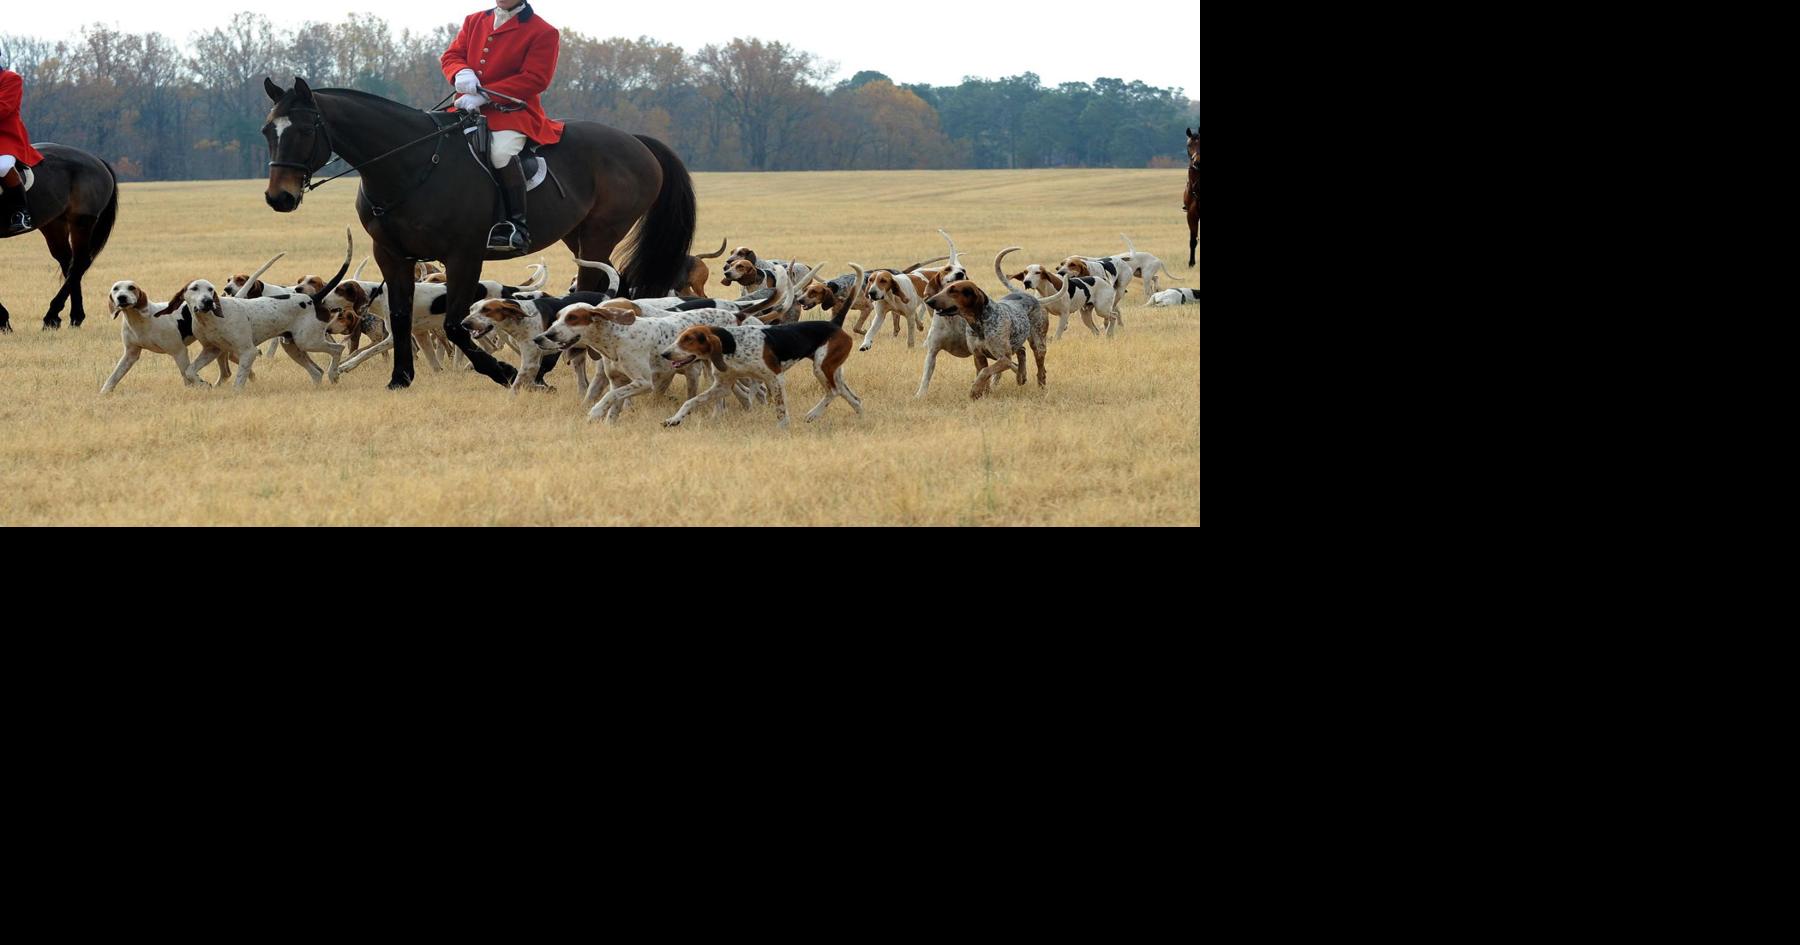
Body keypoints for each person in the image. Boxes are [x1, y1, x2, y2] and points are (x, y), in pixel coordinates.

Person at [442, 1, 565, 254]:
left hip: (512, 112)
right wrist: (461, 73)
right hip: (466, 107)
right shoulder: (473, 20)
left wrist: (487, 96)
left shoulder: (543, 31)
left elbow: (535, 78)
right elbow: (452, 55)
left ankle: (516, 226)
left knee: (500, 153)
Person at [1, 62, 46, 235]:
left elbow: (4, 108)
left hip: (5, 136)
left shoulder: (11, 79)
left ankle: (20, 212)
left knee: (2, 166)